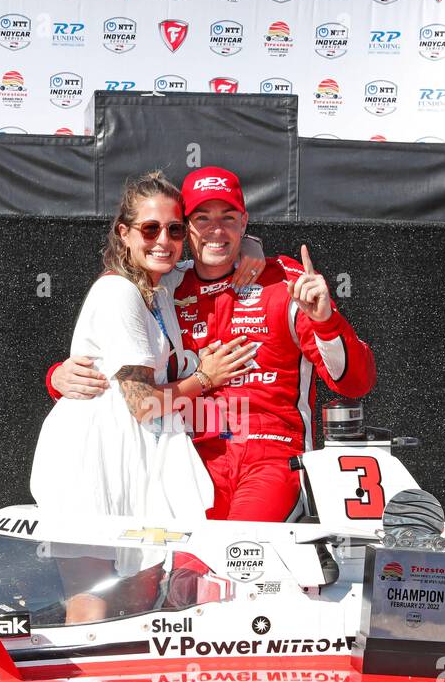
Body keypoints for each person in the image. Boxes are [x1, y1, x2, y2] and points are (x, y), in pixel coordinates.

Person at [49, 166, 376, 522]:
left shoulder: (285, 282)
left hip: (271, 457)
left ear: (245, 221)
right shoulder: (168, 285)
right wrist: (59, 377)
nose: (215, 230)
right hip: (190, 458)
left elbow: (355, 382)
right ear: (186, 227)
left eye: (228, 218)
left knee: (239, 557)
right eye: (201, 218)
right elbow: (124, 355)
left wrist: (325, 321)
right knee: (186, 571)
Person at [30, 171, 255, 622]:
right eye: (150, 229)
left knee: (134, 602)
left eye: (174, 229)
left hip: (134, 455)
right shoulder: (119, 293)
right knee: (92, 600)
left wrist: (252, 250)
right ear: (124, 233)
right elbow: (143, 404)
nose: (164, 240)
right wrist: (204, 378)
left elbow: (227, 248)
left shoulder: (160, 291)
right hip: (93, 457)